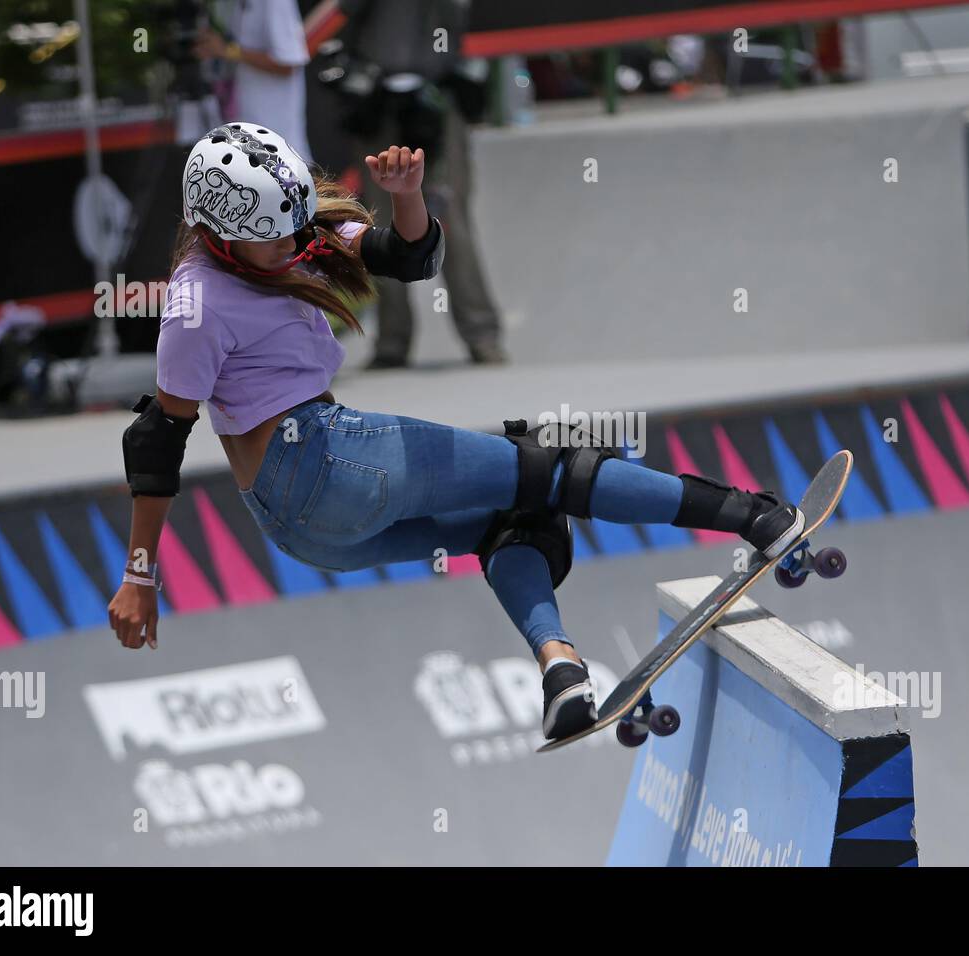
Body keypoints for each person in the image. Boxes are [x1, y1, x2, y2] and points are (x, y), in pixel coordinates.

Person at [109, 123, 805, 739]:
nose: (293, 245)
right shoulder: (195, 305)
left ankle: (561, 670)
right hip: (326, 458)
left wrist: (406, 196)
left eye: (295, 227)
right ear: (219, 235)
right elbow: (158, 440)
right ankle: (755, 517)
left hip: (306, 533)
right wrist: (141, 574)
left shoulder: (285, 230)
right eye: (273, 238)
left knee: (509, 523)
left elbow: (408, 259)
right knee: (549, 468)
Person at [332, 0, 507, 367]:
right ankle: (392, 342)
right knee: (381, 223)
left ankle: (481, 335)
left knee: (450, 218)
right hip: (380, 100)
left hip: (438, 100)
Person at [196, 0, 314, 161]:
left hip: (280, 154)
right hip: (248, 148)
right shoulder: (235, 5)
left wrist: (227, 51)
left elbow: (288, 63)